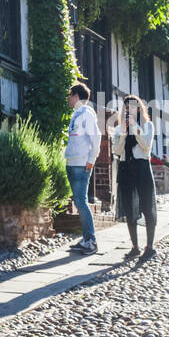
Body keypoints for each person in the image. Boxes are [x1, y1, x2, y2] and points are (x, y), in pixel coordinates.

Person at [110, 93, 157, 262]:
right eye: (127, 107)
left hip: (142, 168)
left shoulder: (147, 126)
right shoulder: (118, 129)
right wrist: (123, 133)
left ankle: (150, 247)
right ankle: (134, 247)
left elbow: (146, 146)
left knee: (147, 207)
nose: (130, 110)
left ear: (139, 109)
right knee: (130, 209)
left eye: (133, 106)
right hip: (125, 168)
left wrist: (135, 128)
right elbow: (116, 151)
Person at [65, 82, 102, 254]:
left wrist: (92, 159)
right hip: (72, 162)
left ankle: (91, 241)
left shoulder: (87, 113)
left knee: (81, 201)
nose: (68, 99)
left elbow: (95, 137)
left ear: (76, 96)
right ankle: (86, 238)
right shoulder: (76, 114)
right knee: (78, 201)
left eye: (70, 95)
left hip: (81, 163)